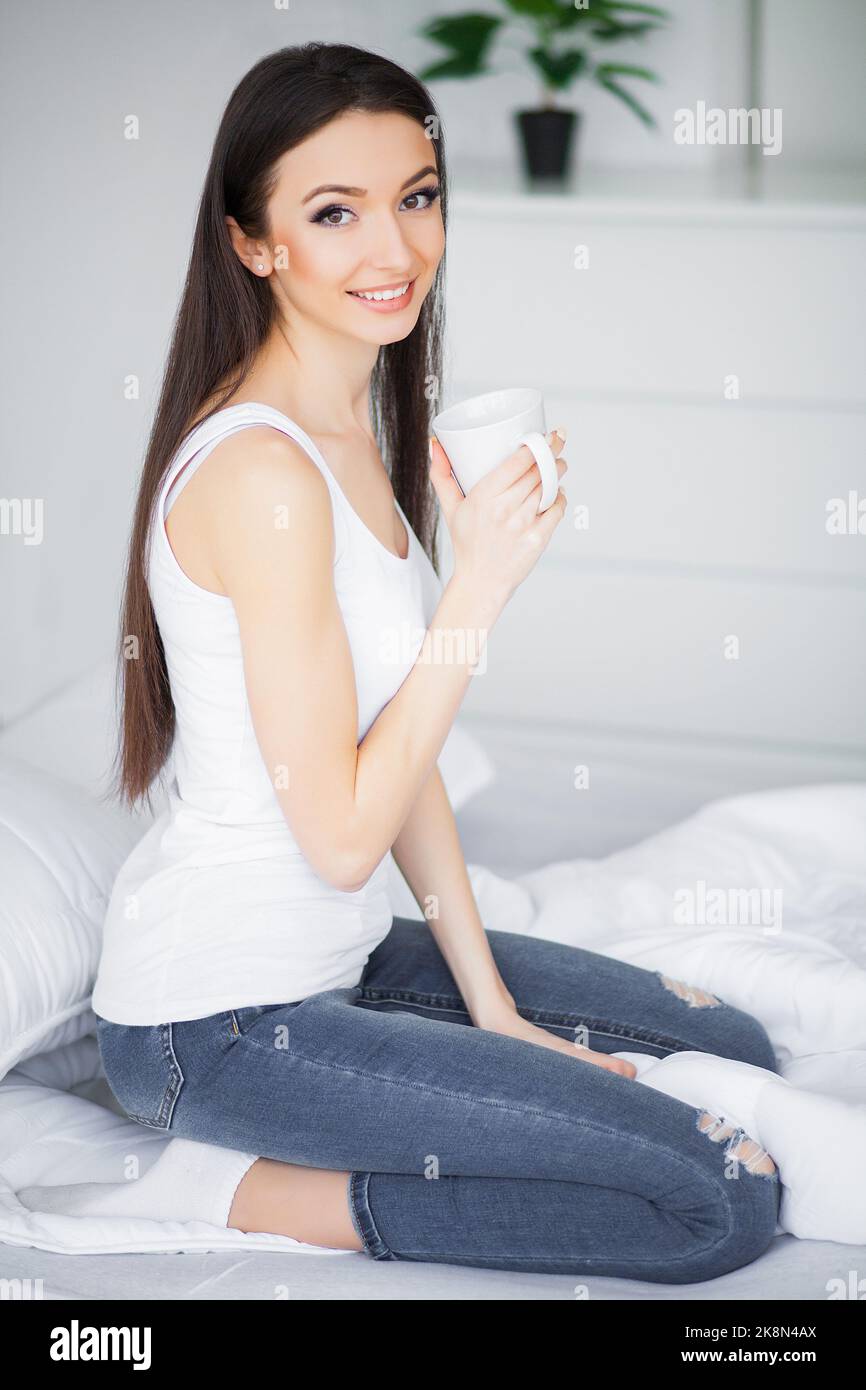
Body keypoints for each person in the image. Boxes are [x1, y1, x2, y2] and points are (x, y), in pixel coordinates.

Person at [83, 42, 780, 1280]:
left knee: (730, 1045)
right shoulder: (261, 474)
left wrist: (494, 1007)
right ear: (255, 243)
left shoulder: (357, 430)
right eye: (333, 212)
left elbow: (395, 766)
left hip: (336, 964)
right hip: (221, 1020)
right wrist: (479, 588)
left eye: (415, 196)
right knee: (720, 1195)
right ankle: (243, 1190)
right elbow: (343, 837)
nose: (393, 250)